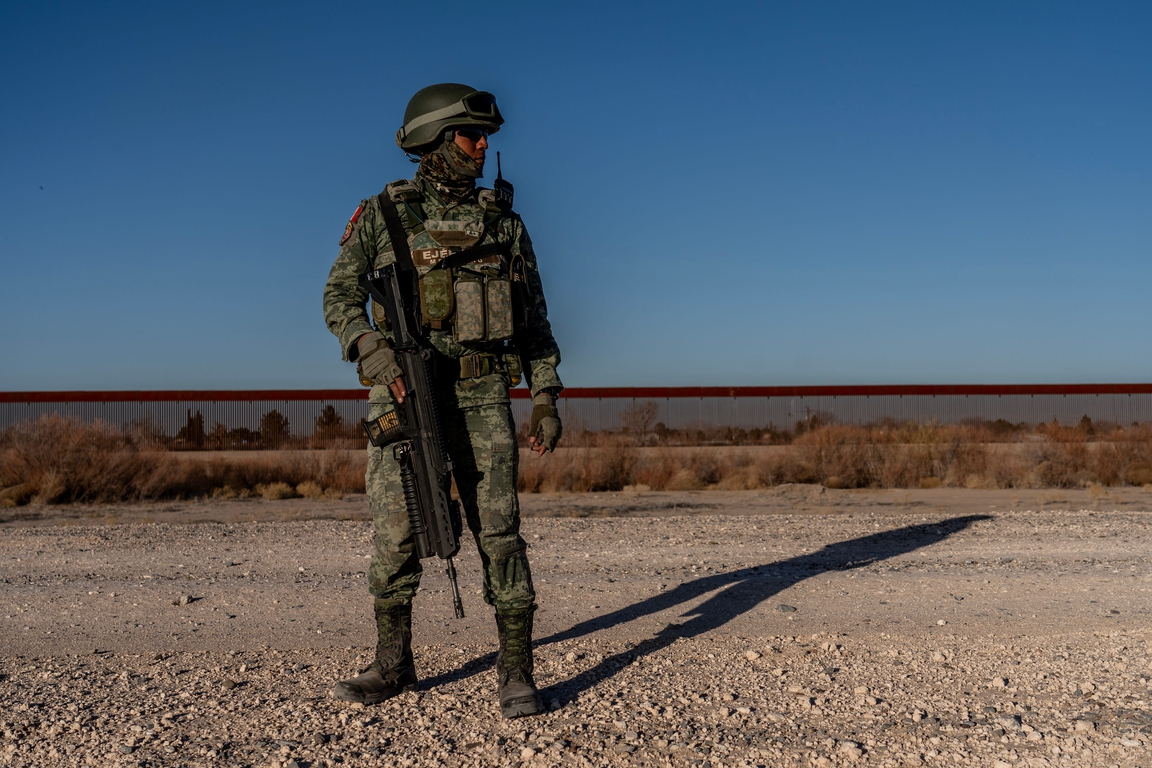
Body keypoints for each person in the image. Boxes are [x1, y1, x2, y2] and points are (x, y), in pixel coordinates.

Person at [321, 83, 564, 719]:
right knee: (399, 532)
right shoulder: (383, 215)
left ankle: (516, 673)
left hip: (484, 395)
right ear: (435, 141)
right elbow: (339, 300)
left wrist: (544, 394)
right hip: (404, 395)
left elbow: (535, 321)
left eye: (486, 136)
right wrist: (370, 351)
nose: (484, 146)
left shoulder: (504, 222)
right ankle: (393, 665)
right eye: (471, 135)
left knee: (500, 533)